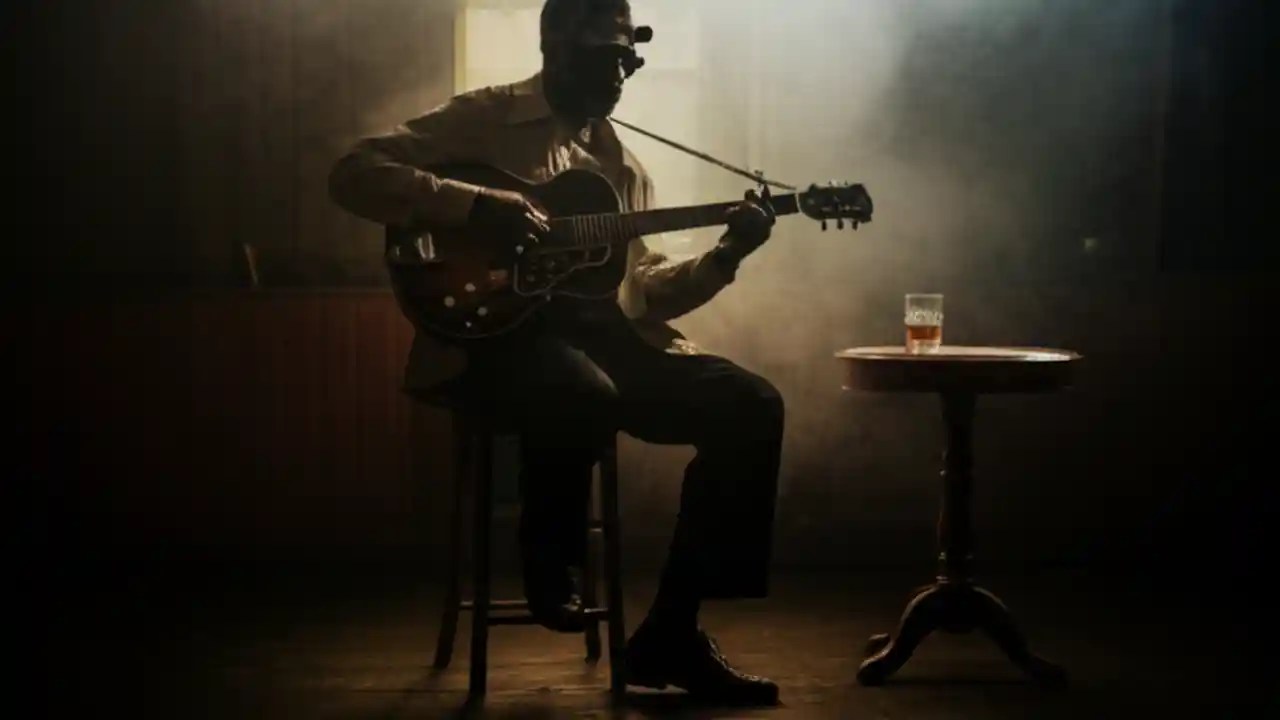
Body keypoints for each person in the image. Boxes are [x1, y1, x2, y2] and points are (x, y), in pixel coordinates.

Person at [328, 0, 783, 705]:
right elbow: (354, 173)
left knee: (750, 404)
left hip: (604, 338)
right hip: (496, 340)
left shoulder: (620, 166)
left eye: (627, 61)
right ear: (555, 52)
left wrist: (727, 254)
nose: (620, 76)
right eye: (605, 60)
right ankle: (549, 561)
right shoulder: (486, 116)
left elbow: (645, 293)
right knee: (581, 391)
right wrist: (477, 204)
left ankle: (673, 630)